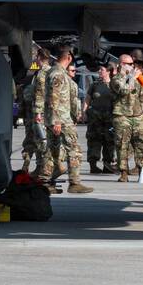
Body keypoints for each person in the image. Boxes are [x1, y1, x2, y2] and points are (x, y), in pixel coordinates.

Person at [36, 46, 91, 192]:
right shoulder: (58, 74)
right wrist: (57, 121)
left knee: (51, 151)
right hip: (61, 119)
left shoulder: (54, 72)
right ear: (69, 58)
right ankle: (74, 183)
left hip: (56, 118)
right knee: (74, 149)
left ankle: (45, 181)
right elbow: (54, 98)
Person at [110, 52, 143, 182]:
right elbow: (124, 89)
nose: (133, 66)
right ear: (122, 64)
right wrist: (133, 76)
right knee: (122, 145)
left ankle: (142, 170)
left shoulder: (134, 77)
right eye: (130, 64)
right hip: (122, 116)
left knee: (141, 144)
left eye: (133, 64)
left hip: (137, 116)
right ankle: (123, 172)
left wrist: (142, 80)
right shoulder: (116, 79)